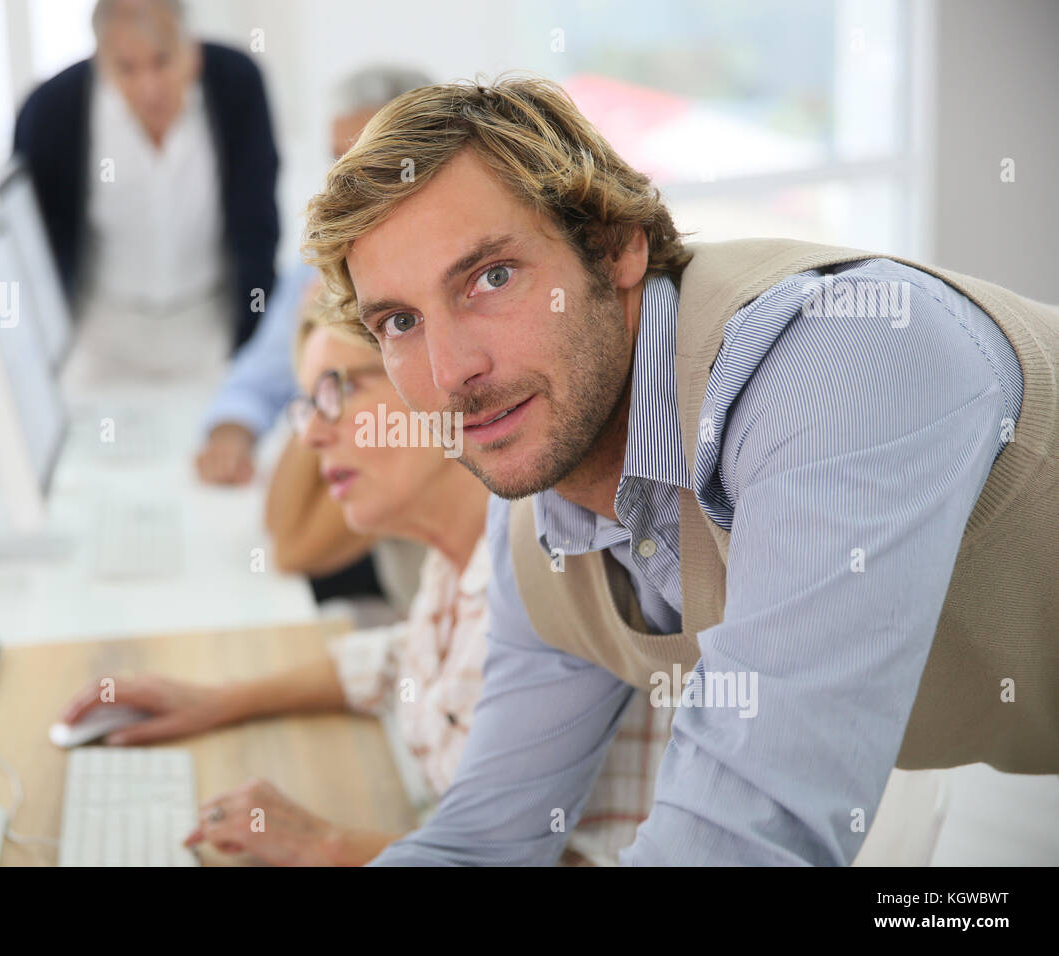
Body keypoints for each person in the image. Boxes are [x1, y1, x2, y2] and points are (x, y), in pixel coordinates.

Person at [301, 74, 1058, 865]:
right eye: (400, 321)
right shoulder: (534, 509)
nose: (452, 371)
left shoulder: (840, 359)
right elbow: (479, 843)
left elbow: (737, 845)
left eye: (491, 277)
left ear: (616, 244)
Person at [56, 303, 675, 866]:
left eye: (342, 391)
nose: (312, 435)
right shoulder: (456, 561)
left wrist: (322, 847)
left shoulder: (549, 583)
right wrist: (217, 699)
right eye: (308, 405)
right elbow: (399, 661)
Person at [12, 0, 279, 379]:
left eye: (162, 61)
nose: (149, 88)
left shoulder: (239, 84)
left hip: (208, 321)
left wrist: (257, 333)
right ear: (100, 61)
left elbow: (259, 220)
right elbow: (19, 237)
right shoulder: (51, 109)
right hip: (102, 327)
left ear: (192, 49)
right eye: (126, 68)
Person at [196, 65, 432, 485]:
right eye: (337, 161)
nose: (343, 184)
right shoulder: (317, 269)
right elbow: (257, 378)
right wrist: (231, 434)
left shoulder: (446, 271)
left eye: (366, 159)